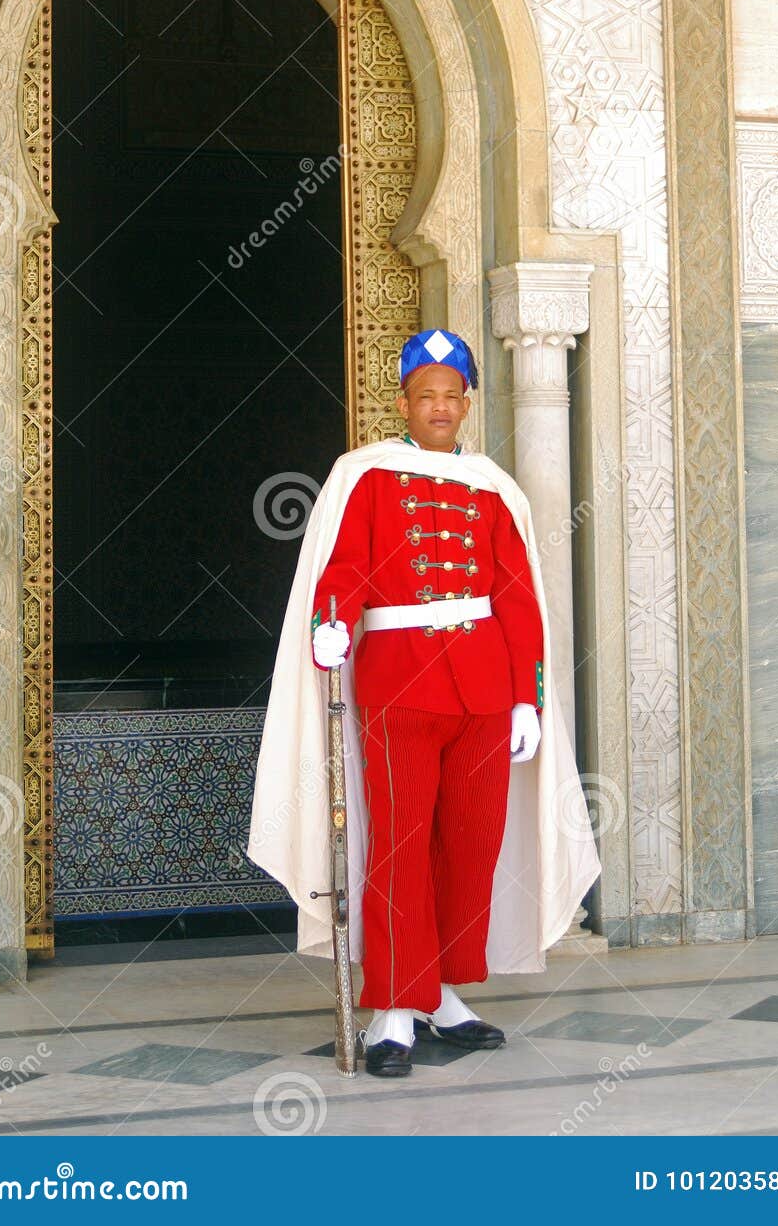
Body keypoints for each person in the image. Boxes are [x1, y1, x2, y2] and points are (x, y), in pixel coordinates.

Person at [247, 328, 601, 1078]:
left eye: (450, 397)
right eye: (425, 396)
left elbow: (515, 597)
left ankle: (440, 993)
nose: (438, 408)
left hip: (481, 689)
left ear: (465, 404)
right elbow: (340, 568)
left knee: (470, 846)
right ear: (404, 403)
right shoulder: (363, 474)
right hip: (397, 684)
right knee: (400, 847)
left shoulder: (495, 487)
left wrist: (525, 698)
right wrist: (332, 625)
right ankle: (392, 1010)